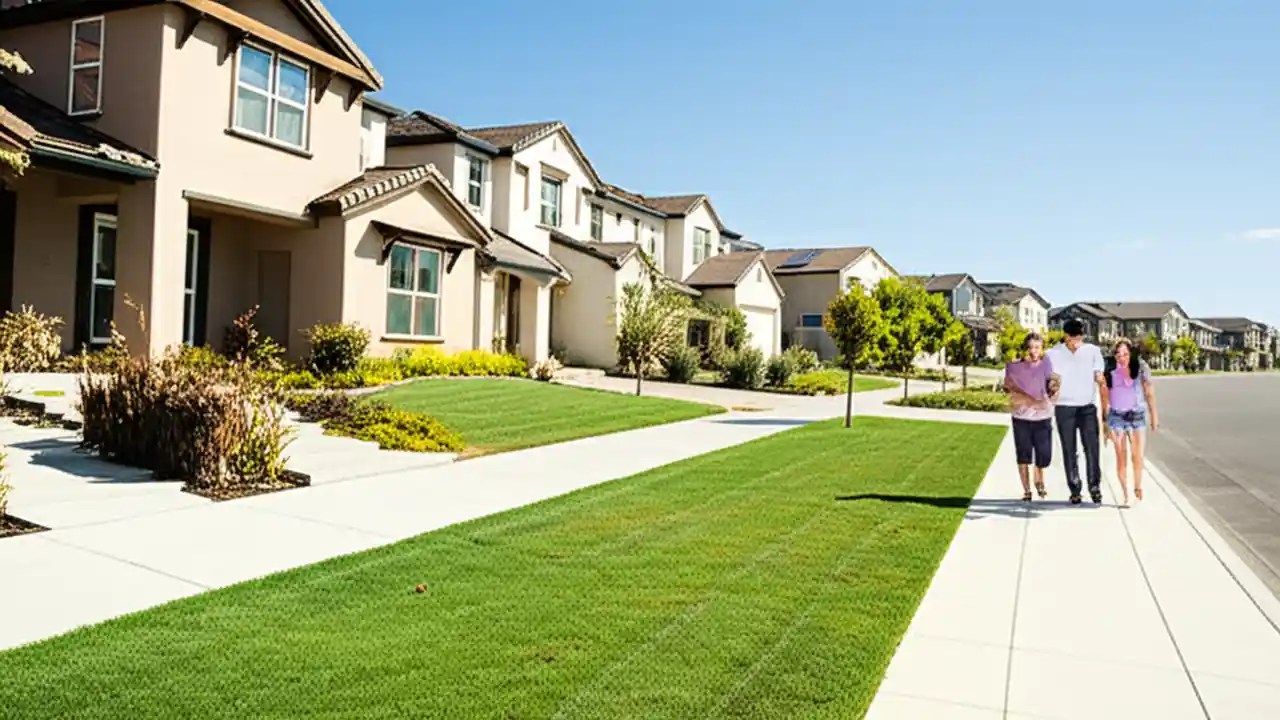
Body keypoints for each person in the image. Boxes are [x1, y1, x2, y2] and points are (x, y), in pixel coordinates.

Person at [1046, 319, 1109, 505]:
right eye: (1072, 338)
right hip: (1064, 407)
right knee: (1069, 449)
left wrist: (1100, 381)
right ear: (1065, 336)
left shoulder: (1093, 351)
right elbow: (1048, 381)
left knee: (1092, 447)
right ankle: (1075, 488)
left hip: (1087, 406)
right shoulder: (1052, 354)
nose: (1076, 342)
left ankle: (1095, 487)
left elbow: (1099, 375)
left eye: (1079, 338)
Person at [1103, 338, 1159, 506]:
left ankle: (1138, 486)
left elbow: (1149, 392)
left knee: (1138, 456)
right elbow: (1104, 396)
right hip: (1117, 417)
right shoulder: (1110, 369)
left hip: (1137, 416)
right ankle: (1126, 493)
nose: (1122, 358)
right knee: (1121, 457)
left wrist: (1154, 415)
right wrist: (1104, 424)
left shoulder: (1141, 367)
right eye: (1118, 354)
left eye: (1125, 354)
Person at [1004, 333, 1057, 502]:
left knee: (1044, 456)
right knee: (1023, 456)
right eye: (1031, 347)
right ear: (1026, 348)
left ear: (1042, 349)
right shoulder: (1015, 367)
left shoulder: (1046, 364)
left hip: (1043, 416)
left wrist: (1054, 389)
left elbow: (1051, 383)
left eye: (1037, 347)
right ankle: (1027, 491)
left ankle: (1038, 475)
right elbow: (1007, 387)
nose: (1034, 351)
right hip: (1021, 417)